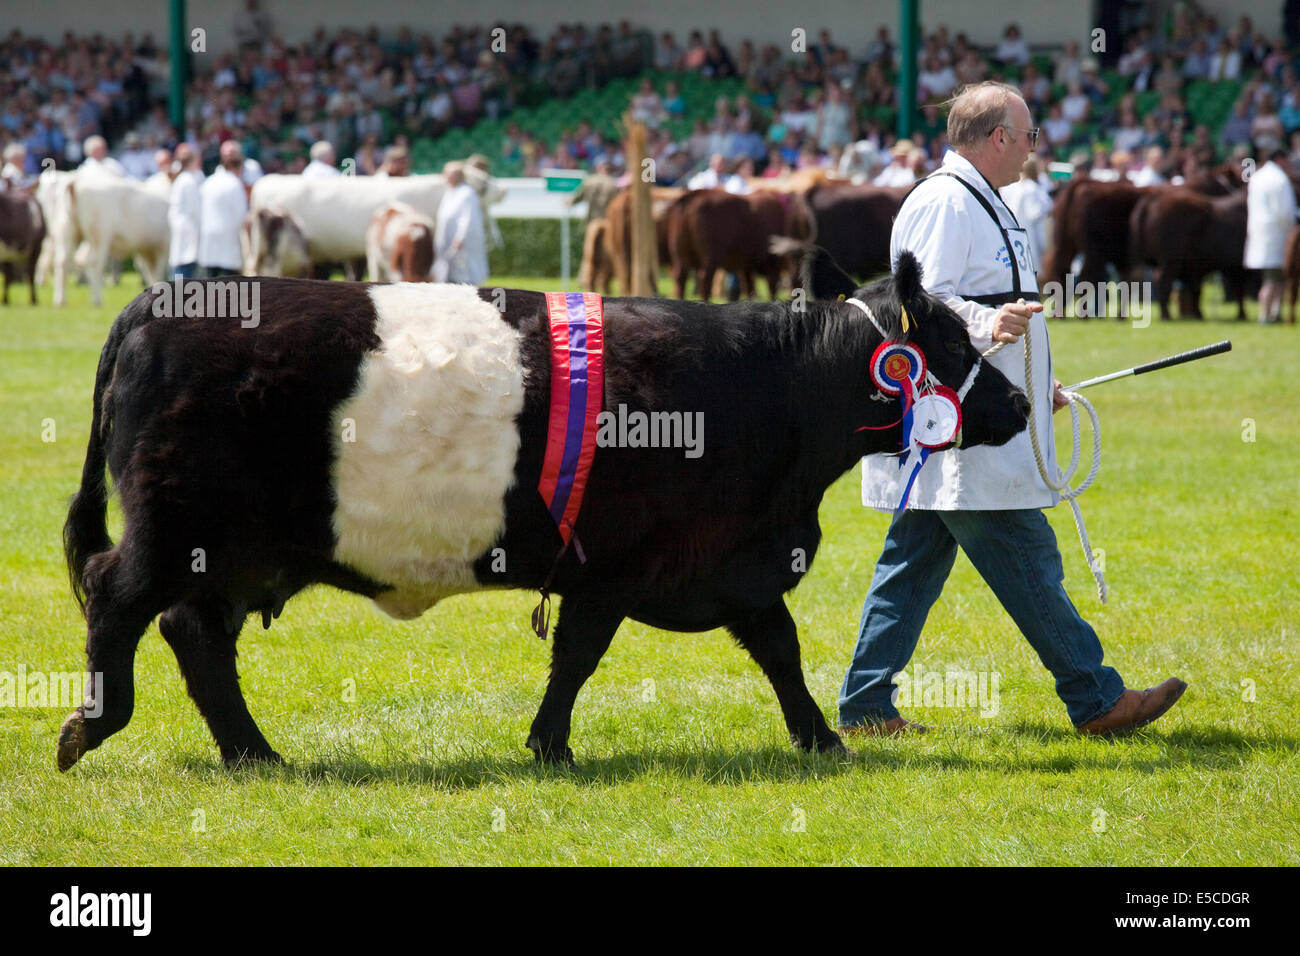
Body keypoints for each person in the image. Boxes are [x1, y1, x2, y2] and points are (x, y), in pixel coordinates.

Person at [838, 81, 1186, 737]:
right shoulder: (946, 202)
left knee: (908, 570)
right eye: (1029, 136)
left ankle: (863, 708)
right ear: (999, 137)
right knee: (1028, 559)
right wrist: (988, 322)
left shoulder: (985, 201)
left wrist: (1035, 383)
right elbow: (918, 305)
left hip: (977, 418)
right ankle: (1097, 699)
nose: (1034, 148)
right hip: (960, 427)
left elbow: (995, 313)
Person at [1244, 146, 1298, 324]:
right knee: (1274, 279)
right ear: (1280, 159)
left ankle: (1271, 313)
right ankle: (1268, 314)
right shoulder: (1280, 179)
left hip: (1258, 233)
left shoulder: (1257, 177)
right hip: (1276, 235)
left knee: (1270, 277)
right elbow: (1284, 212)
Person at [198, 140, 248, 278]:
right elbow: (241, 214)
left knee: (210, 280)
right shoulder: (235, 184)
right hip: (229, 237)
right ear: (238, 168)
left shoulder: (208, 182)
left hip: (208, 235)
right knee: (229, 282)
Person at [433, 161, 488, 284]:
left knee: (465, 271)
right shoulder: (450, 192)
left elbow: (468, 218)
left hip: (462, 242)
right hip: (447, 238)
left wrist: (460, 237)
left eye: (449, 174)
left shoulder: (467, 193)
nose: (446, 177)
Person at [167, 144, 203, 279]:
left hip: (182, 227)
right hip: (188, 228)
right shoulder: (188, 181)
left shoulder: (182, 179)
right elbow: (196, 209)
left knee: (181, 262)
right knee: (185, 265)